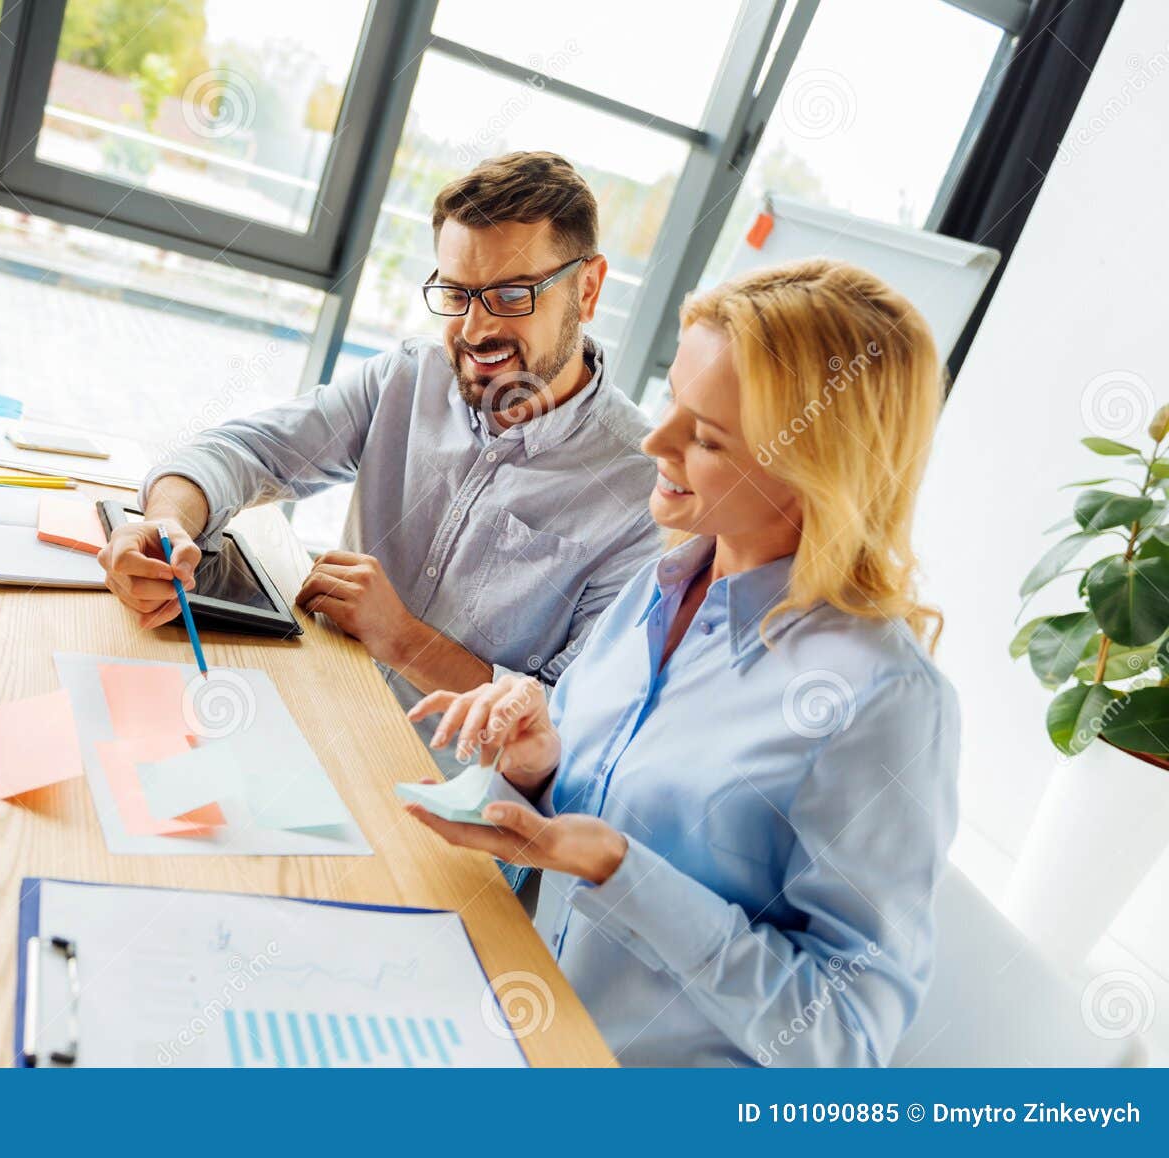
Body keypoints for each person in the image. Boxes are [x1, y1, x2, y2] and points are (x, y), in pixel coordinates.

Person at [407, 259, 960, 1066]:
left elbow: (846, 1038)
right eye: (672, 397)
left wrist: (624, 871)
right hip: (516, 1028)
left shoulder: (884, 700)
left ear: (815, 474)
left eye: (705, 436)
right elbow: (593, 815)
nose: (652, 440)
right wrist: (539, 766)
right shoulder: (662, 582)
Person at [101, 152, 660, 770]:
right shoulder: (410, 377)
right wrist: (164, 523)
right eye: (455, 293)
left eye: (508, 295)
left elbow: (567, 727)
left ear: (587, 287)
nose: (474, 331)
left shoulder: (645, 492)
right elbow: (243, 451)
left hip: (439, 793)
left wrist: (403, 640)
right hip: (313, 716)